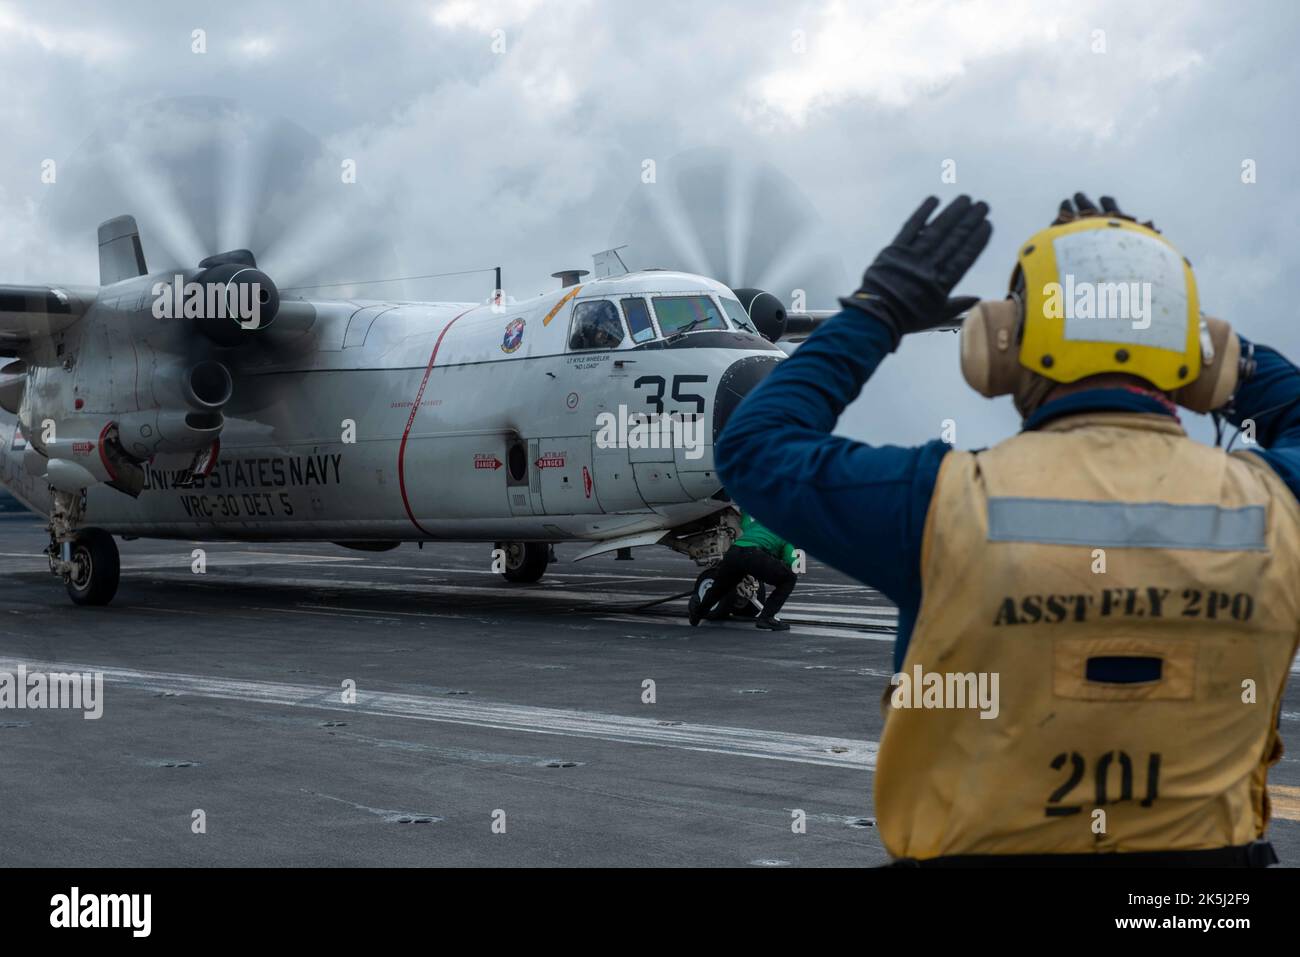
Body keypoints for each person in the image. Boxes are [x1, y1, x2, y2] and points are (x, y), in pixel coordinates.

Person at [714, 192, 1300, 866]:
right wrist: (1170, 310)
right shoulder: (1276, 507)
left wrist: (877, 311)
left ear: (1001, 342)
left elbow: (753, 447)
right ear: (1197, 354)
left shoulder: (941, 502)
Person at [690, 510, 799, 630]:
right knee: (789, 579)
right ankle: (766, 618)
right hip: (754, 555)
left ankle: (697, 614)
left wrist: (742, 505)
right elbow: (792, 561)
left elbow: (745, 520)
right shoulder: (786, 533)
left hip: (733, 553)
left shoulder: (758, 524)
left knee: (720, 588)